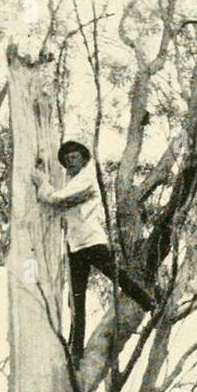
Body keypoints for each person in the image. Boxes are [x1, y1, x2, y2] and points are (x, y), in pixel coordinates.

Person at [31, 139, 156, 360]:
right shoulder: (72, 181)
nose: (71, 162)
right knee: (76, 300)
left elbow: (57, 199)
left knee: (118, 277)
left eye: (75, 157)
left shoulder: (86, 179)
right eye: (67, 159)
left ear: (83, 158)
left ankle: (148, 302)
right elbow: (62, 206)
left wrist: (42, 183)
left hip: (92, 242)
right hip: (75, 246)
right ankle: (76, 350)